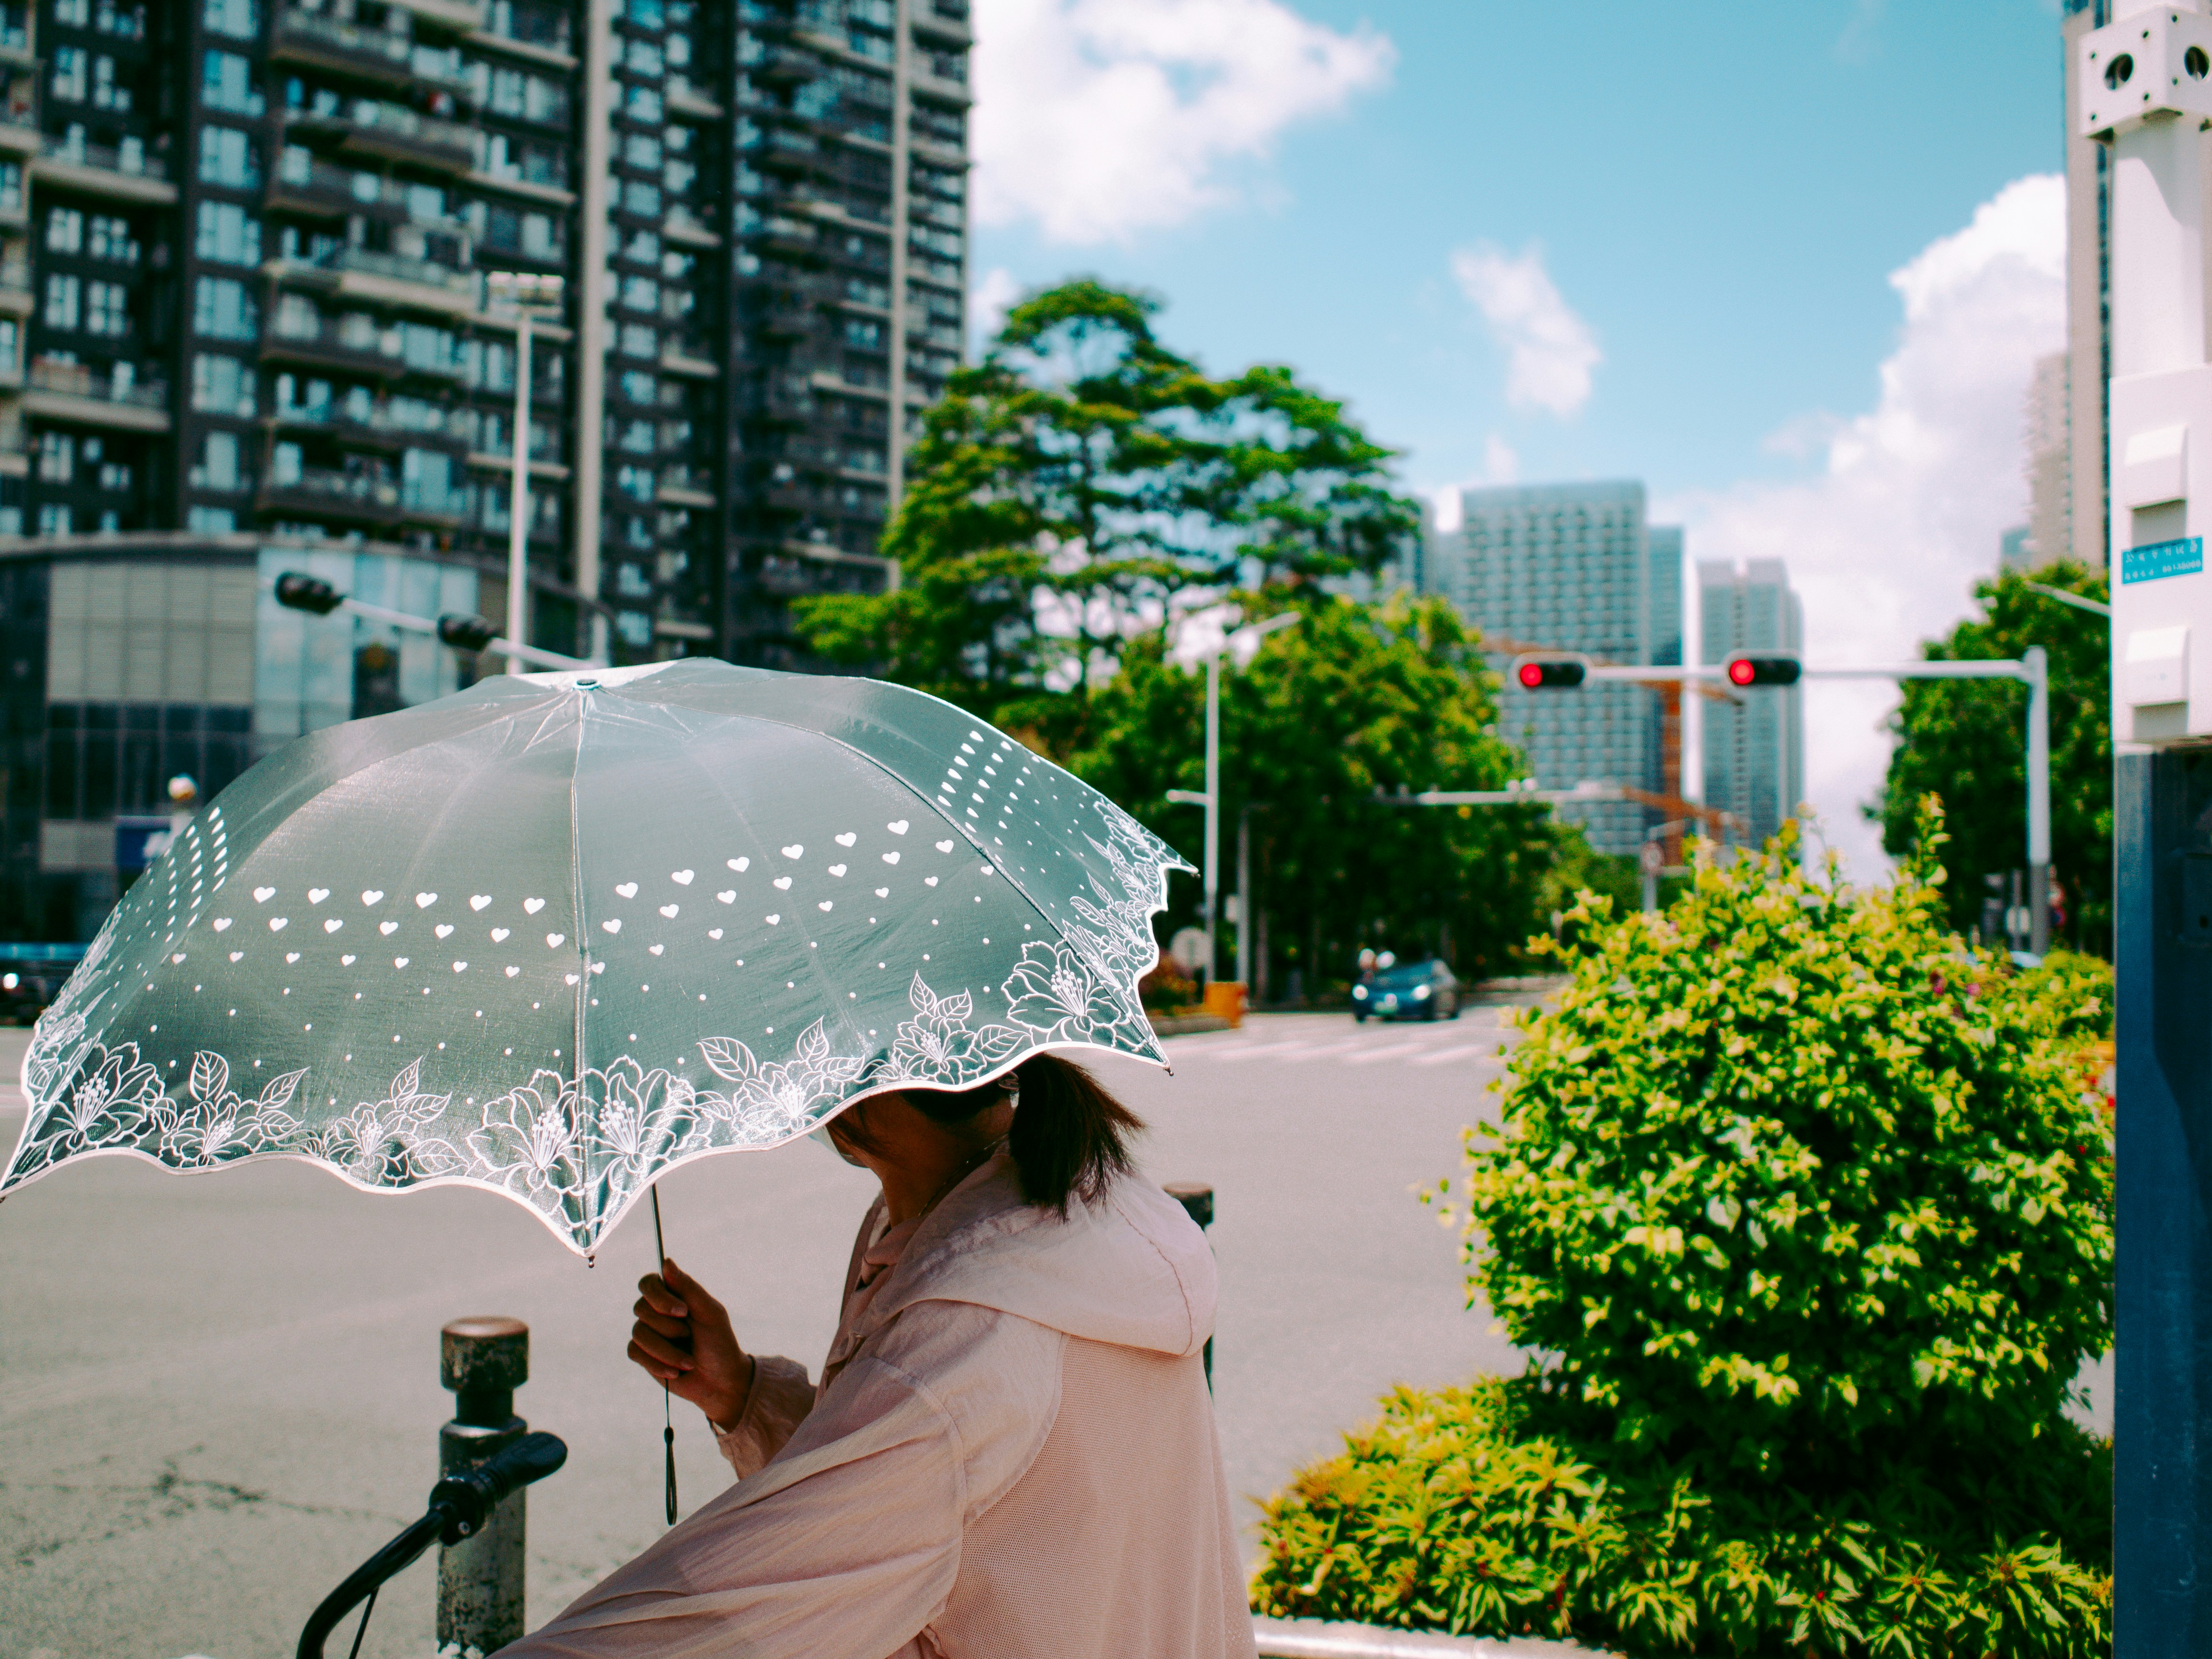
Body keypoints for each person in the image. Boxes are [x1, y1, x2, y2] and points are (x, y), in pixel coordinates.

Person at [502, 1054, 1255, 1659]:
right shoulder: (1080, 1192)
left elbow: (738, 1606)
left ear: (851, 1092)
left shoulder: (965, 1336)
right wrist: (743, 1395)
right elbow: (923, 1501)